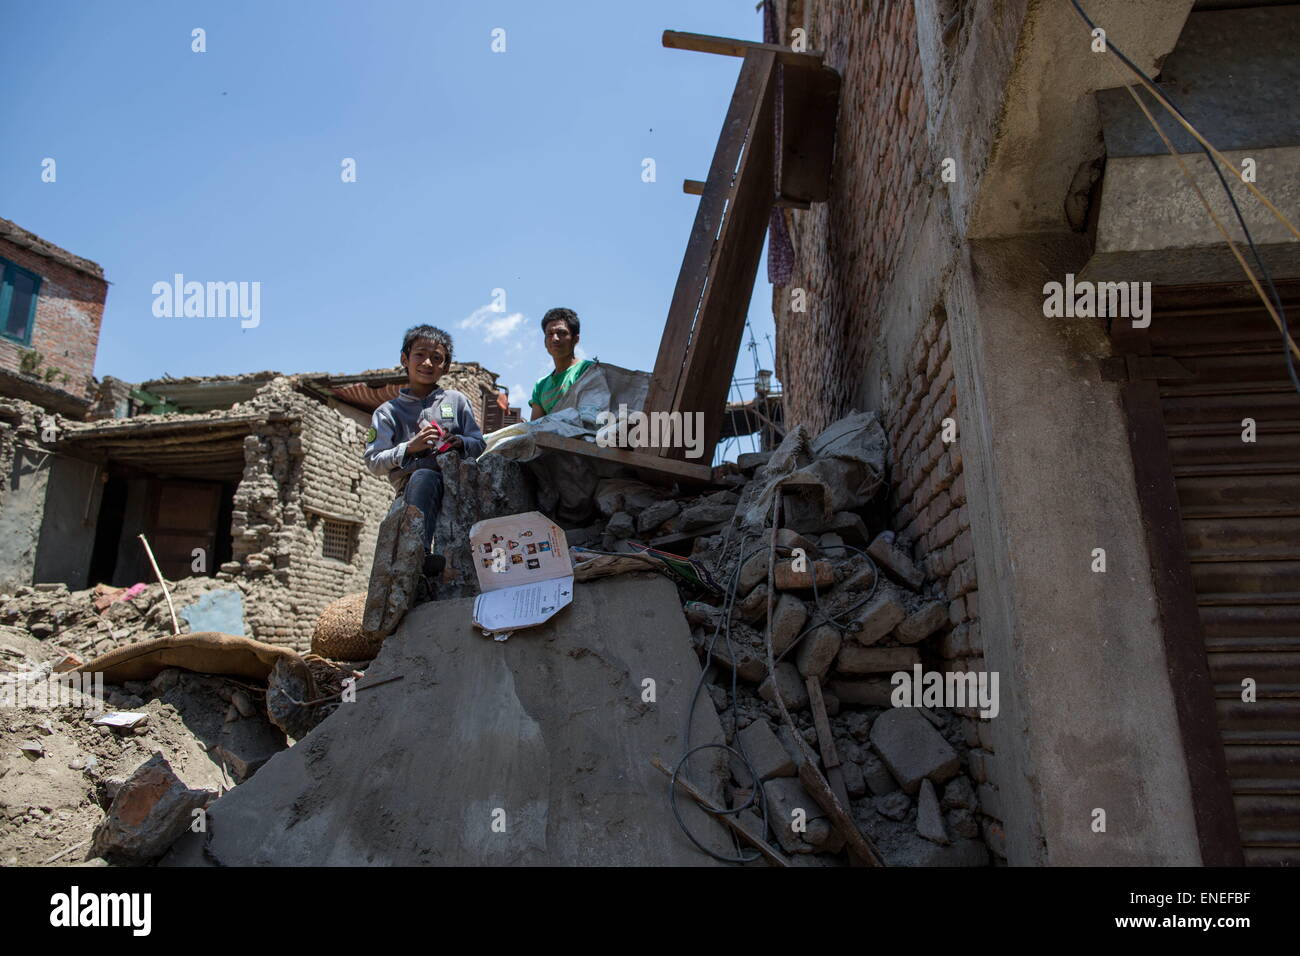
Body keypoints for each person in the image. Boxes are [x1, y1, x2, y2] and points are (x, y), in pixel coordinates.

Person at [363, 325, 485, 581]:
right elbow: (374, 461)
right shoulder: (388, 412)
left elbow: (479, 443)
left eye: (437, 358)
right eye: (420, 355)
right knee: (423, 477)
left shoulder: (457, 401)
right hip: (411, 487)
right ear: (405, 359)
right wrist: (409, 447)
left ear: (446, 367)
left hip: (457, 484)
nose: (427, 363)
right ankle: (418, 555)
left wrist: (460, 442)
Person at [529, 307, 595, 419]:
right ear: (545, 342)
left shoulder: (588, 370)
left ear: (575, 339)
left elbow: (593, 416)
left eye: (561, 333)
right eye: (549, 334)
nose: (555, 338)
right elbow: (535, 428)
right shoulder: (540, 386)